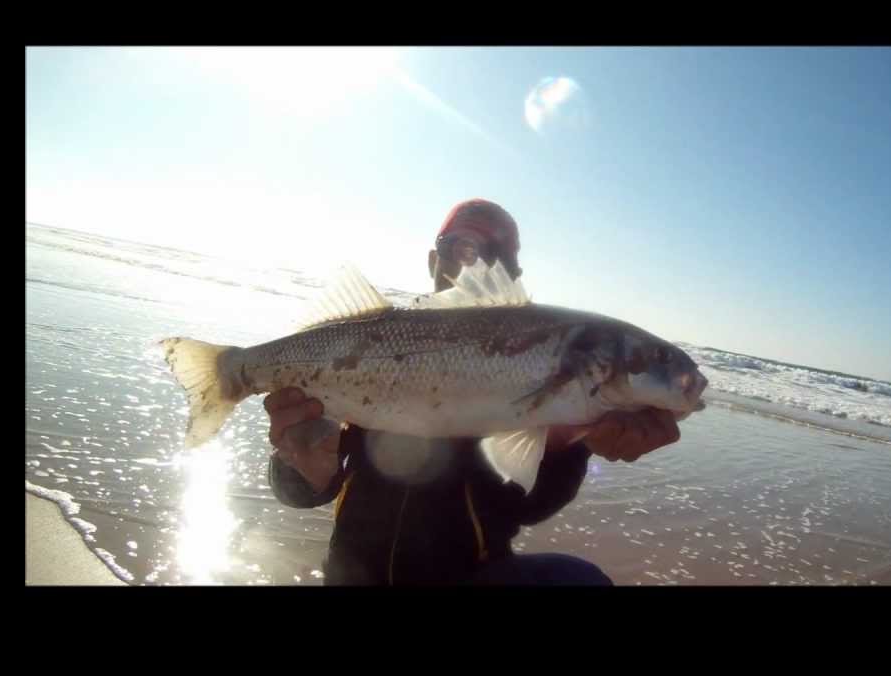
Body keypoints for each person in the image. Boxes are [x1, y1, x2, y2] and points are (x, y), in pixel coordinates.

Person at [265, 199, 681, 585]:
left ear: (513, 277)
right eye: (461, 247)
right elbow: (295, 493)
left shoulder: (546, 372)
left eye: (497, 256)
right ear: (433, 260)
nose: (476, 264)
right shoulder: (367, 350)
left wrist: (567, 444)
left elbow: (528, 506)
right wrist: (299, 464)